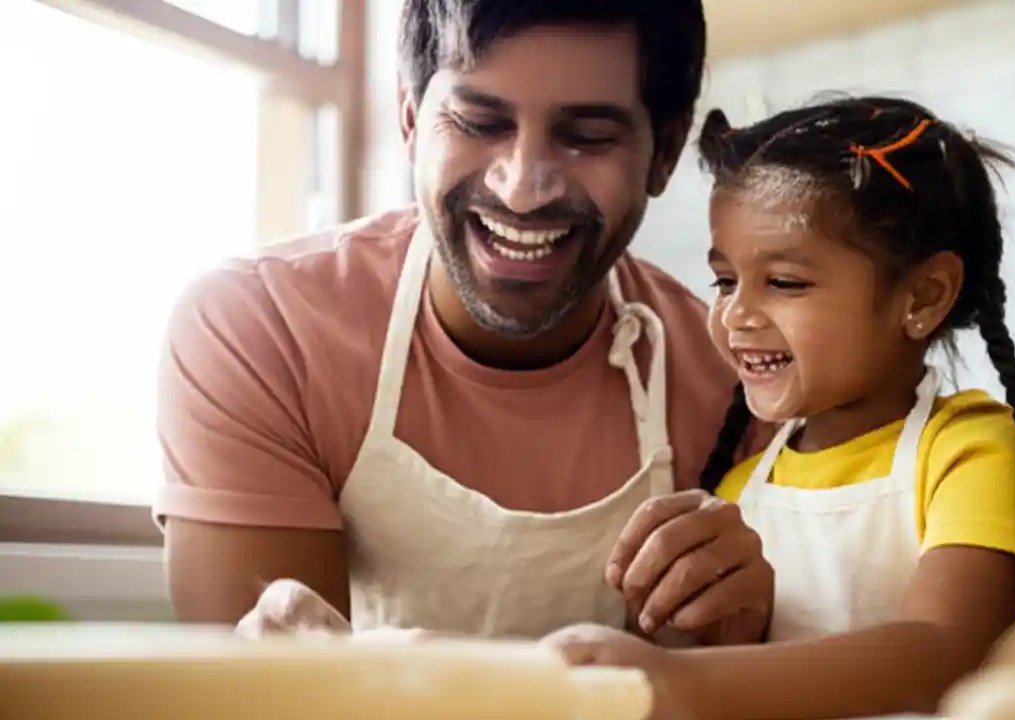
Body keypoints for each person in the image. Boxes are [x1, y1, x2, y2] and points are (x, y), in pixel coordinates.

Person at [155, 0, 773, 646]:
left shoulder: (741, 380)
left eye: (588, 136)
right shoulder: (261, 331)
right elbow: (270, 701)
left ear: (665, 153)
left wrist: (751, 628)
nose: (522, 188)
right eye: (478, 122)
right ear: (410, 119)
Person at [543, 95, 1015, 718]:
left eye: (784, 282)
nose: (735, 314)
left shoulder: (971, 450)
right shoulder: (741, 488)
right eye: (725, 280)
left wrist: (684, 680)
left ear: (923, 295)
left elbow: (941, 654)